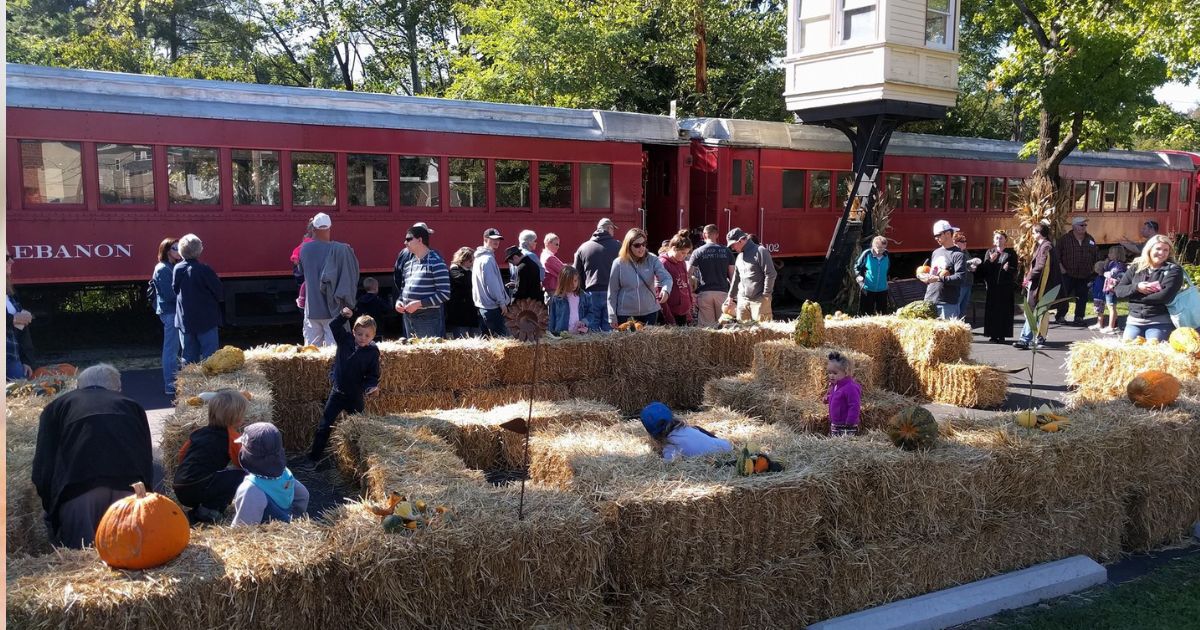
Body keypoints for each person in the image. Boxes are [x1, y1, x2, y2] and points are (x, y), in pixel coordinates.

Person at [32, 364, 154, 548]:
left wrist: (51, 509)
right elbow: (146, 459)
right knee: (128, 554)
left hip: (78, 491)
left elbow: (43, 467)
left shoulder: (57, 407)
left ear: (78, 386)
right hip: (129, 492)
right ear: (117, 388)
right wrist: (146, 496)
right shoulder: (131, 405)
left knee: (81, 558)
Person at [308, 308, 381, 461]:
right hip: (337, 393)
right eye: (359, 334)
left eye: (367, 335)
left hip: (355, 395)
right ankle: (314, 458)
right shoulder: (344, 339)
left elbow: (372, 374)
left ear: (373, 336)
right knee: (324, 426)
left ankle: (361, 459)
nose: (362, 338)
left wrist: (371, 387)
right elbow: (334, 325)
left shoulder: (372, 352)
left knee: (360, 427)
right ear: (354, 332)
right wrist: (343, 315)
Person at [173, 389, 248, 525]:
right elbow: (243, 462)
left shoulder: (198, 432)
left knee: (219, 476)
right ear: (237, 418)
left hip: (180, 485)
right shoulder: (232, 437)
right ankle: (207, 512)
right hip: (198, 487)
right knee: (241, 476)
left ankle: (201, 508)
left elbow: (182, 454)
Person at [298, 213, 360, 346]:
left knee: (312, 353)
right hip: (335, 310)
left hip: (312, 310)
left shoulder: (304, 249)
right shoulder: (342, 249)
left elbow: (301, 271)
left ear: (313, 228)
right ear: (330, 227)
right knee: (334, 353)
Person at [232, 423, 310, 526]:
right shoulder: (285, 474)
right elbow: (303, 495)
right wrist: (296, 520)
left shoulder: (250, 489)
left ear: (248, 457)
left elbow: (242, 528)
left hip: (265, 533)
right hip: (286, 528)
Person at [1115, 235, 1184, 342]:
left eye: (1165, 250)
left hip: (1160, 322)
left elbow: (1163, 297)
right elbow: (1119, 291)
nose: (1161, 253)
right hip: (1133, 322)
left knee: (1154, 350)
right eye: (1158, 249)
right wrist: (1137, 287)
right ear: (1149, 249)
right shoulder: (1136, 267)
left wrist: (1132, 298)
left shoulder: (1174, 270)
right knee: (1128, 349)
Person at [172, 233, 223, 363]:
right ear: (199, 250)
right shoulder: (204, 269)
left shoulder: (177, 268)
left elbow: (175, 289)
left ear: (181, 251)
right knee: (211, 358)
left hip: (185, 320)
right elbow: (218, 291)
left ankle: (189, 377)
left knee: (188, 358)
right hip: (206, 319)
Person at [394, 225, 450, 339]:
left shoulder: (437, 262)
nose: (405, 242)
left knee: (427, 350)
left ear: (420, 240)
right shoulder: (408, 264)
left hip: (428, 318)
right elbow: (403, 288)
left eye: (409, 239)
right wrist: (399, 301)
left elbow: (444, 294)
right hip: (408, 316)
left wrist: (419, 304)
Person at [608, 228, 672, 328]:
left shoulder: (652, 259)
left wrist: (666, 290)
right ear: (628, 246)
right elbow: (612, 291)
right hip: (626, 314)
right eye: (637, 245)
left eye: (644, 244)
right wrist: (612, 316)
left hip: (650, 312)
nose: (641, 248)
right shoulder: (618, 263)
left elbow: (666, 278)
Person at [1013, 222, 1061, 350]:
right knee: (1034, 312)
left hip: (1043, 286)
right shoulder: (1044, 246)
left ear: (1039, 234)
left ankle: (1036, 338)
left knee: (1039, 312)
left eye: (1034, 232)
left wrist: (1028, 277)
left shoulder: (1046, 247)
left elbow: (1040, 266)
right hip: (1040, 285)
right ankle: (1027, 339)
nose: (1033, 235)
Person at [640, 402, 732, 462]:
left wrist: (660, 454)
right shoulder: (688, 429)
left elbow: (668, 463)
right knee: (697, 429)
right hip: (725, 447)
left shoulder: (670, 446)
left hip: (714, 460)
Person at [573, 218, 621, 331]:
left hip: (590, 293)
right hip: (611, 293)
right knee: (609, 331)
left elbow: (576, 273)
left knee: (591, 331)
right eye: (613, 229)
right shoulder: (618, 246)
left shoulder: (583, 247)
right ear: (609, 228)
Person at [724, 227, 778, 322]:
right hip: (743, 300)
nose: (732, 248)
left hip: (759, 300)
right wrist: (730, 296)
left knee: (762, 330)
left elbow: (770, 274)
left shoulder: (760, 251)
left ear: (740, 240)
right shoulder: (739, 257)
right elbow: (736, 278)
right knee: (742, 329)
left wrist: (766, 295)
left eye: (733, 245)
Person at [151, 238, 183, 395]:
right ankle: (170, 384)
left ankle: (174, 382)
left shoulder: (170, 266)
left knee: (174, 348)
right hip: (170, 312)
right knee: (171, 349)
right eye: (175, 248)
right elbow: (169, 295)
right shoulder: (163, 269)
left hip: (172, 311)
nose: (179, 250)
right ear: (167, 251)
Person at [688, 224, 735, 327]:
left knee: (707, 328)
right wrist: (732, 296)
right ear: (717, 235)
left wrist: (691, 292)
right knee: (724, 326)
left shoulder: (697, 252)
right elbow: (733, 277)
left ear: (704, 235)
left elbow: (688, 274)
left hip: (704, 293)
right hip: (722, 293)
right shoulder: (727, 251)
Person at [1055, 217, 1099, 326]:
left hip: (1084, 274)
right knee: (1064, 296)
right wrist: (1061, 268)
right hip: (1068, 273)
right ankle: (1060, 316)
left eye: (1085, 225)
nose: (1084, 227)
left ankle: (1079, 317)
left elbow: (1095, 255)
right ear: (1074, 226)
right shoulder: (1065, 239)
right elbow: (1056, 254)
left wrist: (1093, 268)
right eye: (1081, 225)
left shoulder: (1090, 239)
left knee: (1082, 297)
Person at [919, 220, 967, 320]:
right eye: (935, 236)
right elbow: (933, 274)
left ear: (948, 233)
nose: (936, 238)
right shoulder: (935, 252)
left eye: (938, 235)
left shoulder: (958, 255)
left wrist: (938, 279)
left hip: (947, 303)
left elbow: (960, 278)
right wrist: (925, 278)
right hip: (929, 299)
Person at [977, 230, 1017, 343]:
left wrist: (1008, 269)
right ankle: (992, 334)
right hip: (992, 287)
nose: (998, 240)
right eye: (997, 238)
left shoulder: (1011, 253)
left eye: (1001, 238)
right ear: (994, 240)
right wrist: (990, 261)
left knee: (1004, 311)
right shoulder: (989, 252)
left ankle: (1002, 334)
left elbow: (1015, 270)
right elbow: (984, 270)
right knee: (992, 311)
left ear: (1005, 240)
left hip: (1005, 287)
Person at [473, 228, 512, 336]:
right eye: (493, 239)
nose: (497, 241)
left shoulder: (478, 258)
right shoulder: (488, 259)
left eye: (498, 239)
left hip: (483, 306)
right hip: (492, 308)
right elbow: (492, 284)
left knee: (487, 340)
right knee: (503, 339)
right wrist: (501, 302)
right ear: (485, 239)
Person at [6, 254, 35, 381]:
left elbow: (22, 331)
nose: (11, 261)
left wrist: (26, 360)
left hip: (12, 358)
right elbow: (14, 320)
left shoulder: (9, 295)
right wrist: (12, 319)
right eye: (6, 258)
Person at [658, 230, 695, 326]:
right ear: (674, 248)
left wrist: (689, 307)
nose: (685, 256)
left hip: (683, 311)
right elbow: (659, 292)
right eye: (683, 253)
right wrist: (669, 317)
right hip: (671, 312)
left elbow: (686, 285)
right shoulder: (663, 263)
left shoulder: (682, 262)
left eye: (686, 253)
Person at [446, 247, 480, 338]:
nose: (472, 262)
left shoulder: (470, 271)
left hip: (472, 313)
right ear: (463, 259)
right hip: (460, 315)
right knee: (462, 339)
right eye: (470, 260)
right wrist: (472, 271)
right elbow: (465, 281)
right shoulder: (454, 271)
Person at [825, 352, 862, 437]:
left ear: (846, 372)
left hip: (846, 425)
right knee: (835, 443)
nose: (831, 376)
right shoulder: (836, 385)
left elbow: (855, 405)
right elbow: (838, 398)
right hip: (836, 423)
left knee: (845, 443)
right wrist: (828, 398)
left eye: (835, 373)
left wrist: (850, 421)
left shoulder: (850, 387)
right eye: (829, 373)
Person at [548, 265, 591, 335]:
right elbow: (552, 318)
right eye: (570, 282)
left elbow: (591, 313)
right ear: (563, 282)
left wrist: (584, 322)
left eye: (575, 281)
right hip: (562, 335)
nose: (573, 284)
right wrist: (551, 334)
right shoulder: (557, 298)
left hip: (580, 335)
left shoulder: (584, 297)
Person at [855, 236, 891, 315]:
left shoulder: (887, 254)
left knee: (882, 314)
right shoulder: (867, 254)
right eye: (879, 248)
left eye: (883, 248)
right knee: (866, 314)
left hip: (882, 289)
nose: (881, 251)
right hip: (868, 289)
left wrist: (886, 281)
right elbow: (857, 267)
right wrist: (860, 280)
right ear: (873, 246)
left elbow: (888, 269)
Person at [1096, 246, 1128, 335]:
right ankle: (1114, 325)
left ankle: (1111, 326)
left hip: (1112, 288)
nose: (1109, 254)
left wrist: (1107, 273)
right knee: (1110, 306)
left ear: (1117, 254)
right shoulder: (1112, 263)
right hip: (1108, 288)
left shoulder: (1119, 265)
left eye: (1111, 253)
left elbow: (1114, 274)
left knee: (1111, 307)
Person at [953, 231, 982, 319]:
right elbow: (956, 267)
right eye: (962, 241)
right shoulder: (955, 253)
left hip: (968, 283)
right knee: (956, 307)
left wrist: (972, 267)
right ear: (955, 242)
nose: (965, 243)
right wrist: (970, 262)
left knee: (963, 308)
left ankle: (961, 324)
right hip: (960, 285)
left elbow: (966, 266)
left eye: (965, 241)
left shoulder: (965, 251)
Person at [290, 221, 314, 315]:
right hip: (306, 270)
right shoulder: (307, 242)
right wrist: (296, 258)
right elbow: (297, 251)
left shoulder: (309, 242)